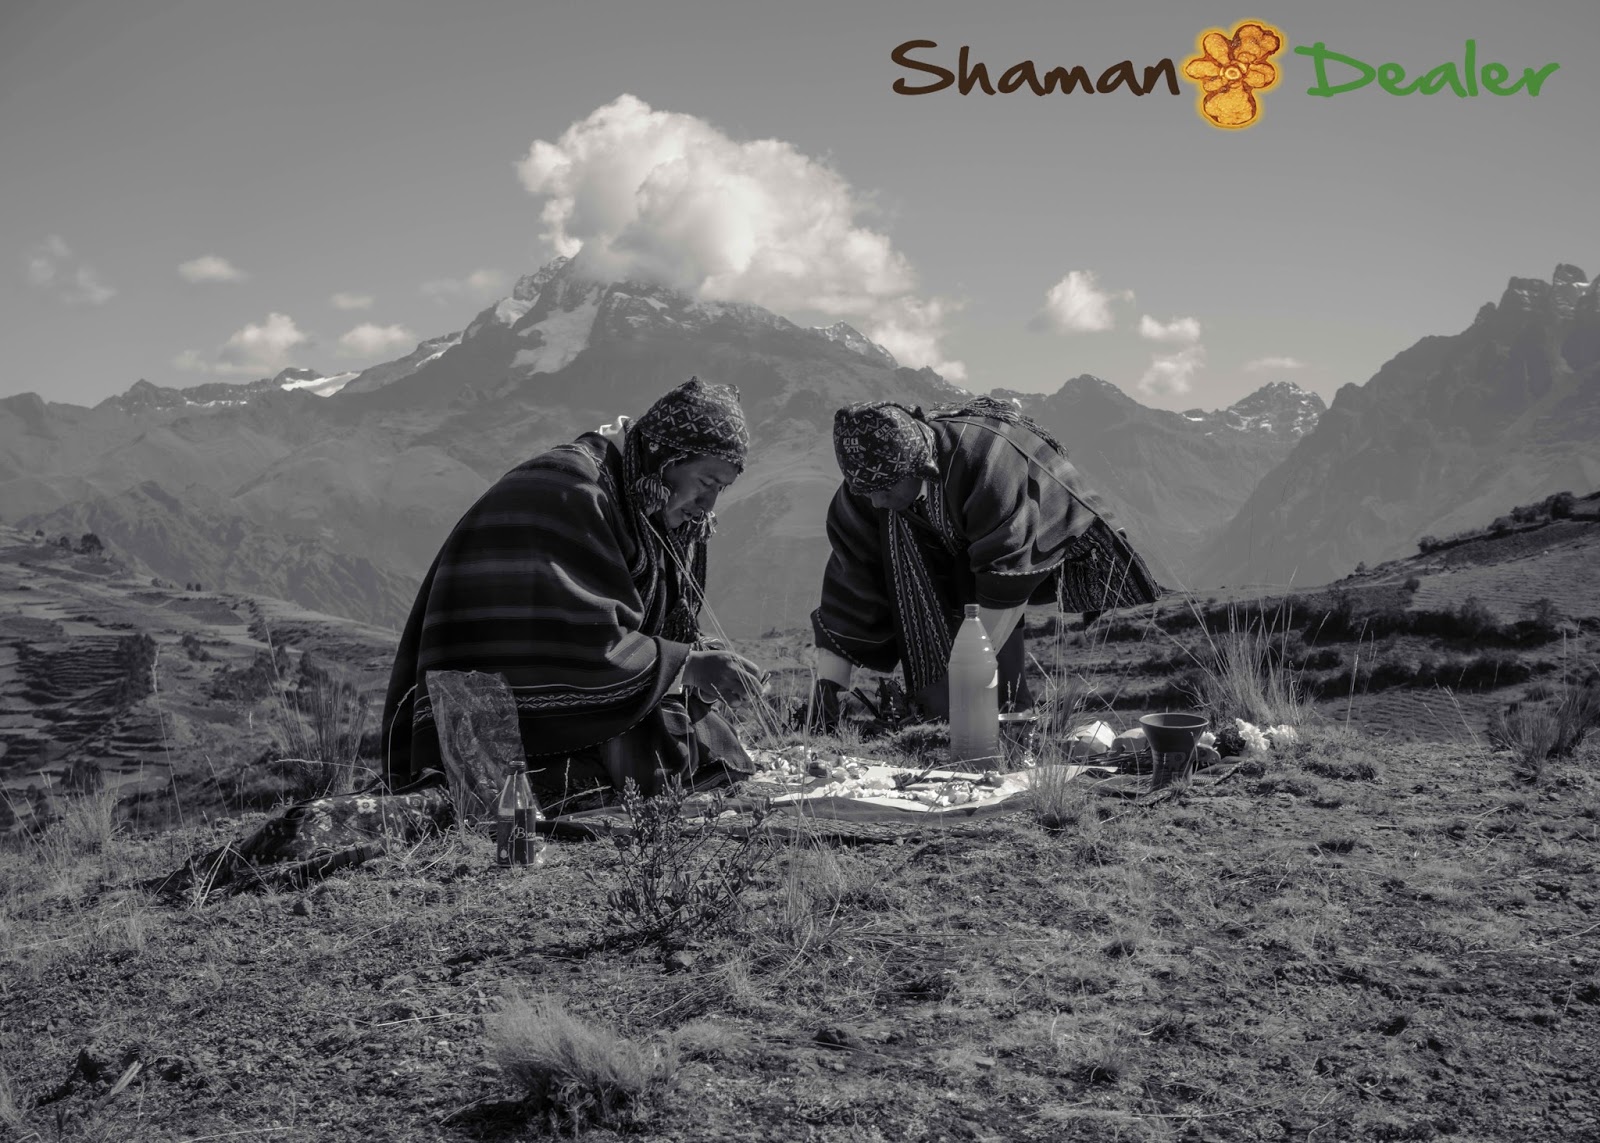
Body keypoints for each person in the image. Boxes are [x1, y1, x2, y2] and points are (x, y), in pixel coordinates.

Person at [381, 377, 768, 811]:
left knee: (706, 750)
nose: (709, 503)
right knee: (638, 768)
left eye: (722, 488)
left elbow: (652, 622)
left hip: (575, 696)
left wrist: (701, 662)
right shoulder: (572, 491)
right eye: (706, 481)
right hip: (502, 702)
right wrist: (690, 667)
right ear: (665, 458)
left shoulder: (637, 495)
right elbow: (577, 644)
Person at [806, 396, 1162, 732]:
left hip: (1035, 524)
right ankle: (957, 718)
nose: (876, 501)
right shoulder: (864, 493)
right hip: (951, 539)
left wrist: (952, 685)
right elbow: (851, 592)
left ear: (920, 468)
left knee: (984, 598)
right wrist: (827, 694)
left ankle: (1009, 716)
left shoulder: (986, 466)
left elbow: (1005, 580)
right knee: (944, 581)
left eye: (884, 490)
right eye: (865, 491)